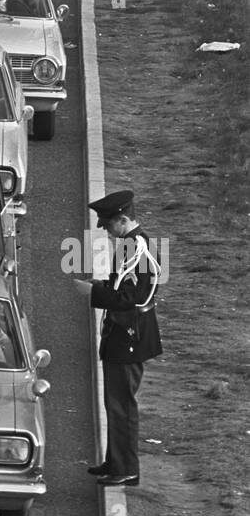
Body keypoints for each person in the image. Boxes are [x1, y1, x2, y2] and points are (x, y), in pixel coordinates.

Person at [79, 189, 163, 487]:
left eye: (108, 224)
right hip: (126, 333)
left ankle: (125, 467)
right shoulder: (134, 243)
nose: (105, 229)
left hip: (130, 334)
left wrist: (94, 292)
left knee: (120, 405)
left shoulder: (134, 247)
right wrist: (102, 285)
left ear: (123, 219)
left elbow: (133, 297)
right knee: (114, 403)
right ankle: (116, 461)